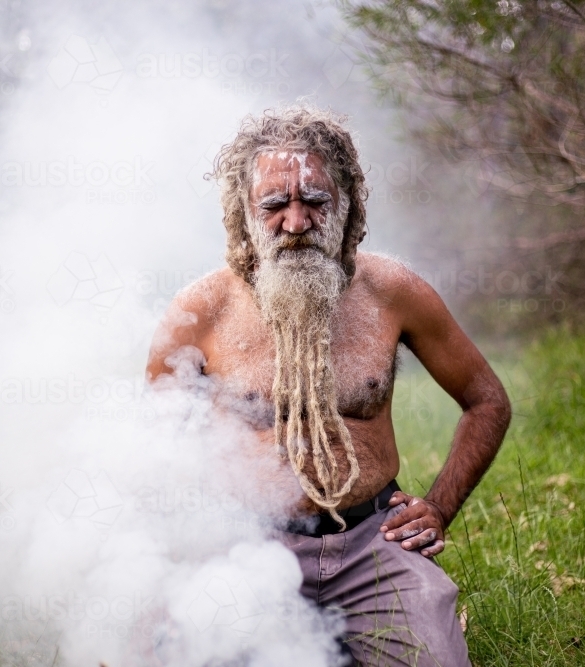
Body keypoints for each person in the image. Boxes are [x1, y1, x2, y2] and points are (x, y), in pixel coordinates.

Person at [146, 106, 511, 666]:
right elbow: (152, 452)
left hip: (374, 542)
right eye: (274, 205)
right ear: (244, 212)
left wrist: (438, 508)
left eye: (315, 201)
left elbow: (486, 401)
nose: (296, 222)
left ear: (347, 204)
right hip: (248, 550)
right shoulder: (201, 312)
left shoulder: (393, 291)